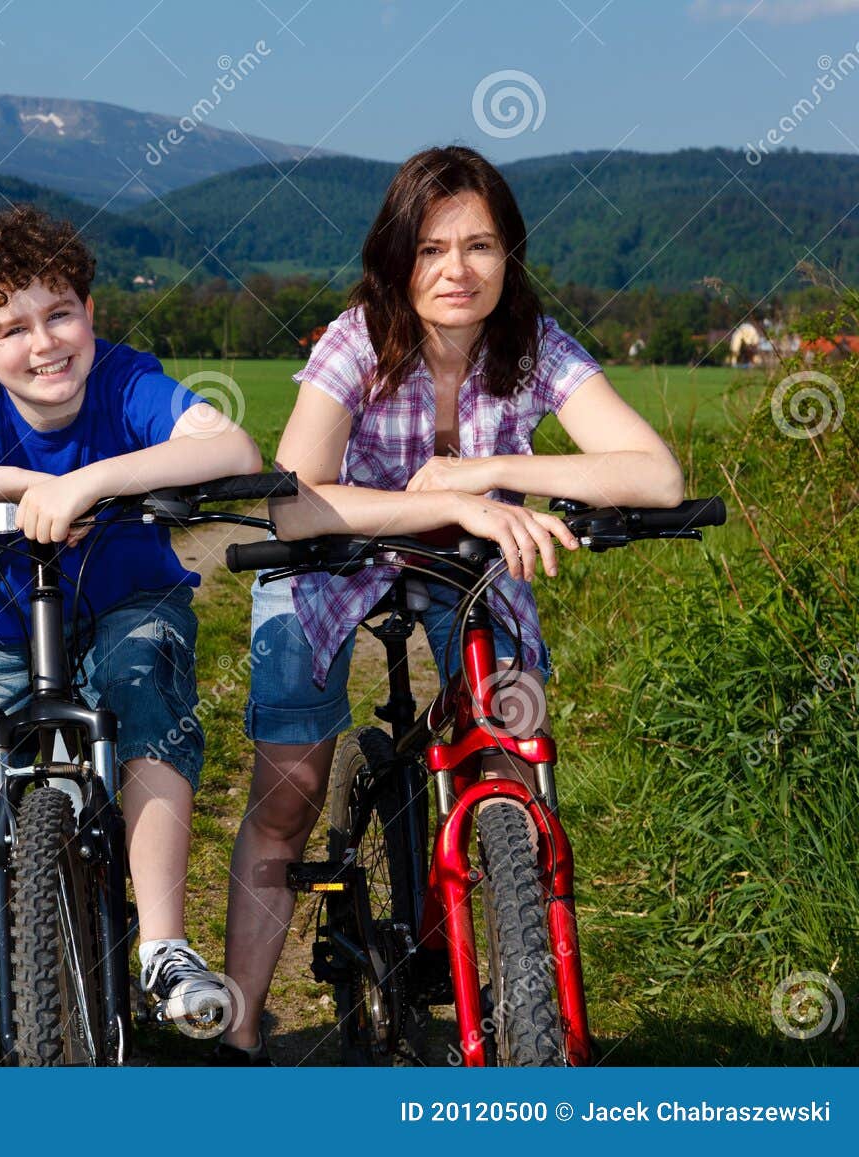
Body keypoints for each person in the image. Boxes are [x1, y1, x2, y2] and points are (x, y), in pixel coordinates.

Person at [218, 146, 684, 1064]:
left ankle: (513, 944)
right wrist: (448, 501)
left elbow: (656, 475)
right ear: (399, 257)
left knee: (512, 739)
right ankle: (236, 1031)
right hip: (333, 552)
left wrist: (492, 473)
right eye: (432, 248)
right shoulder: (357, 335)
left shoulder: (536, 343)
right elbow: (294, 497)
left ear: (510, 254)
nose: (457, 270)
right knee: (291, 789)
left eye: (479, 245)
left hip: (471, 559)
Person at [0, 203, 263, 1065]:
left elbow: (232, 448)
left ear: (91, 312)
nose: (44, 343)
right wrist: (20, 478)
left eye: (60, 312)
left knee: (144, 688)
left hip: (126, 604)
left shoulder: (124, 383)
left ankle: (161, 950)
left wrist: (90, 484)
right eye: (12, 328)